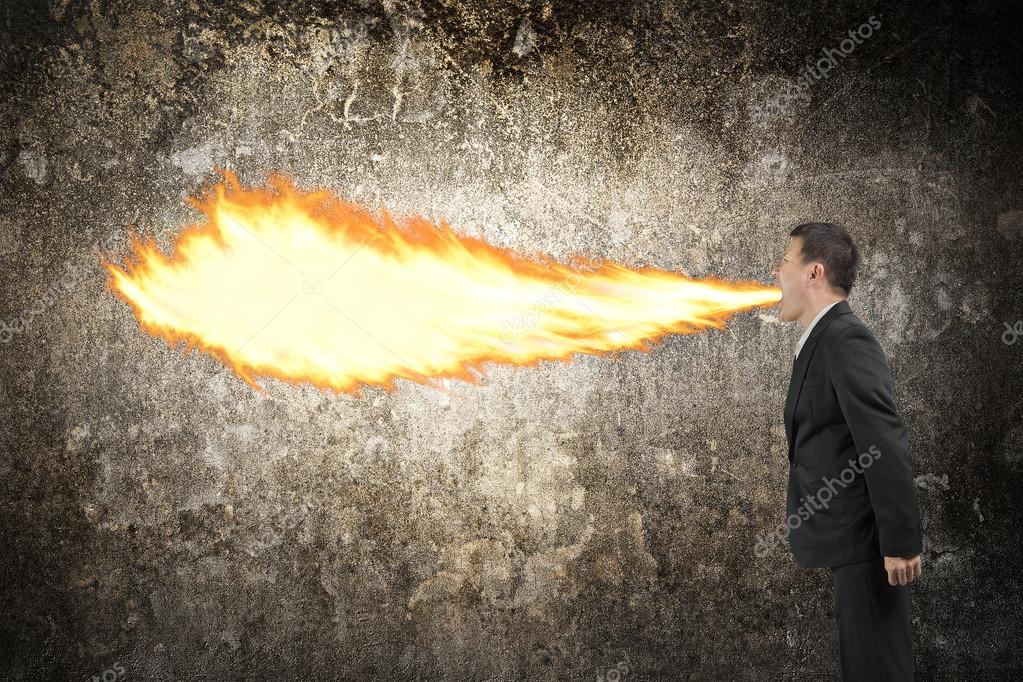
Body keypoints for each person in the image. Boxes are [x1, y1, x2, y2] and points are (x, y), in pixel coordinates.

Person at [771, 222, 923, 681]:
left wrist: (898, 542)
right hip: (850, 545)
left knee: (879, 673)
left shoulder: (845, 338)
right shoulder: (819, 341)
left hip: (870, 548)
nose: (774, 274)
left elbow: (883, 440)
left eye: (783, 262)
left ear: (813, 272)